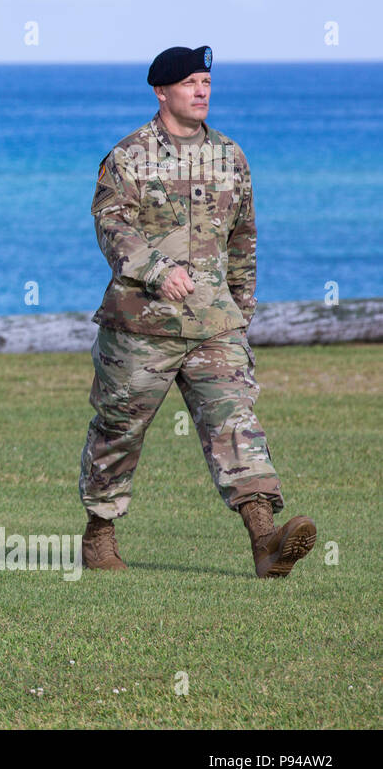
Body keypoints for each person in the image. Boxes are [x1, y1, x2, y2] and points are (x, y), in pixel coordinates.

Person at [79, 45, 316, 578]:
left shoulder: (231, 155)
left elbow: (243, 237)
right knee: (119, 430)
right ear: (161, 91)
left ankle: (266, 540)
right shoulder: (128, 157)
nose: (201, 91)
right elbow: (112, 228)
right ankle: (100, 535)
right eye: (189, 83)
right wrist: (159, 269)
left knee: (236, 423)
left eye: (206, 82)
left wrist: (242, 308)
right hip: (143, 324)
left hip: (216, 325)